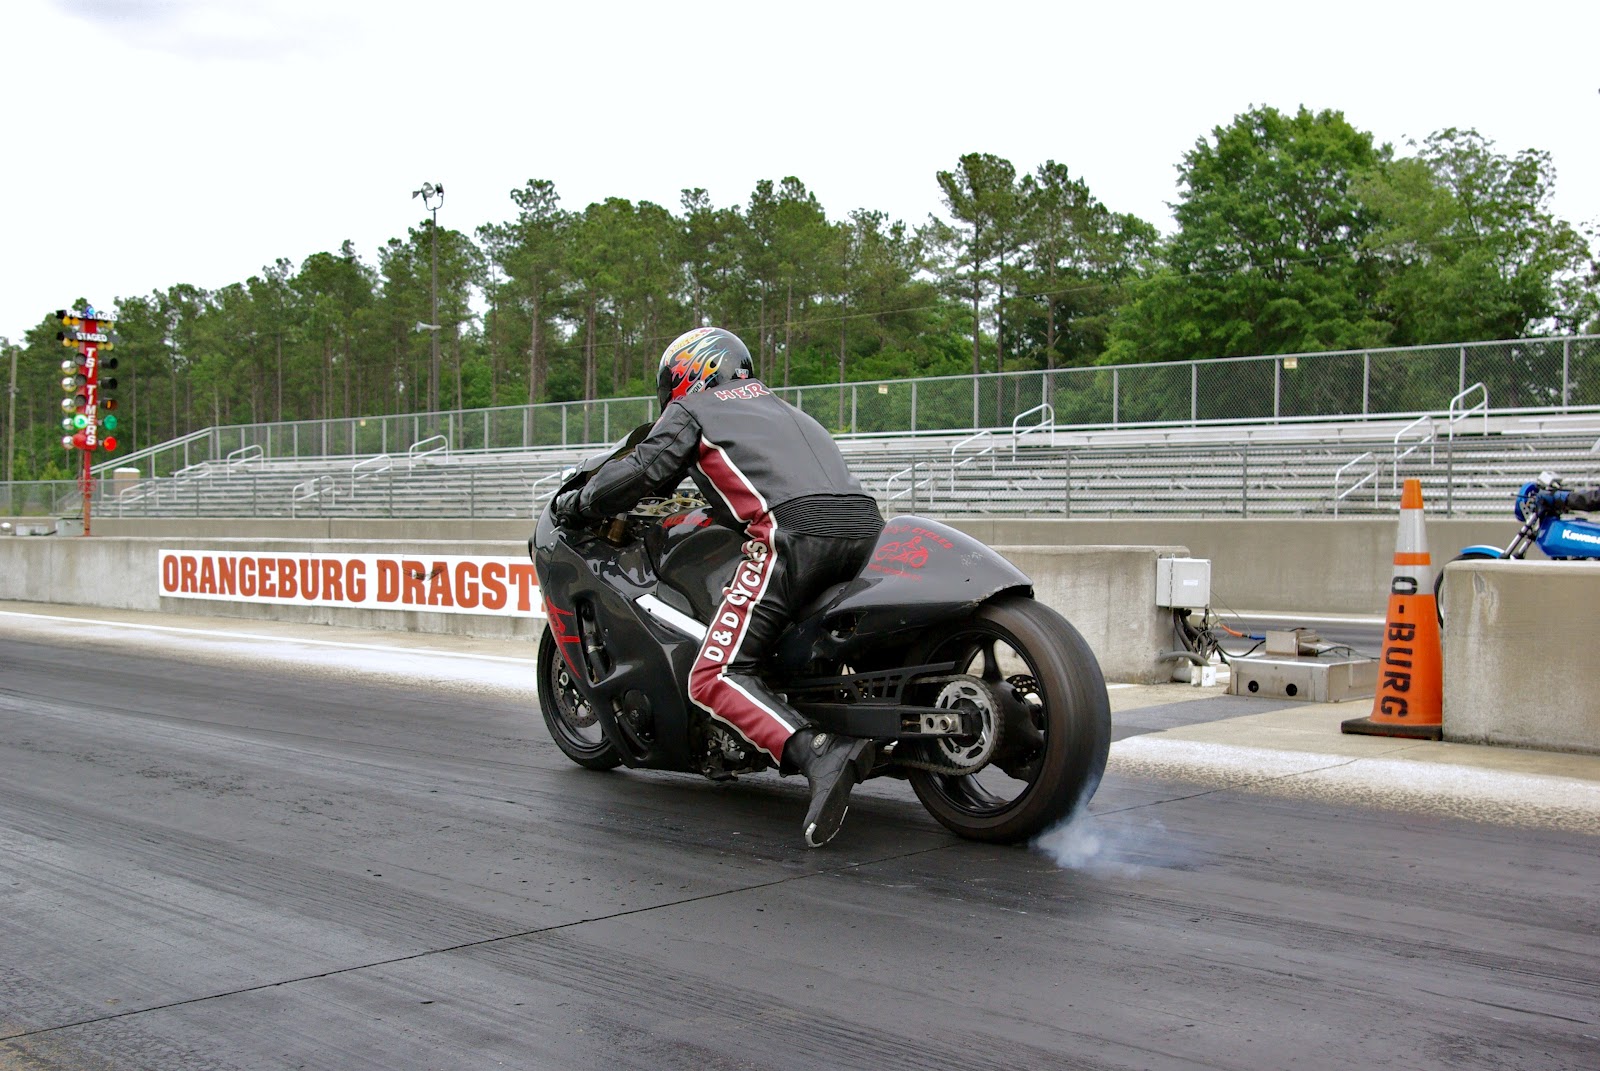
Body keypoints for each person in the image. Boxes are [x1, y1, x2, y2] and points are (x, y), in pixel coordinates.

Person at [553, 327, 885, 848]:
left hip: (792, 534)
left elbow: (645, 470)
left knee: (712, 675)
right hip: (865, 529)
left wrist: (578, 503)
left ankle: (819, 750)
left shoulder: (697, 408)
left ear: (690, 372)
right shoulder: (786, 410)